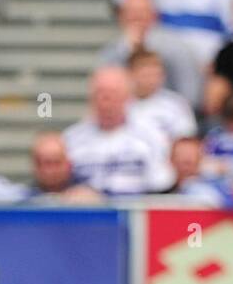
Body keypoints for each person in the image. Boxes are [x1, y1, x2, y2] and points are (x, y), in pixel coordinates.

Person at [62, 66, 173, 196]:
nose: (106, 100)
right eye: (100, 93)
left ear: (128, 97)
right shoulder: (71, 139)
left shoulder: (152, 136)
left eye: (112, 94)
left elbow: (161, 186)